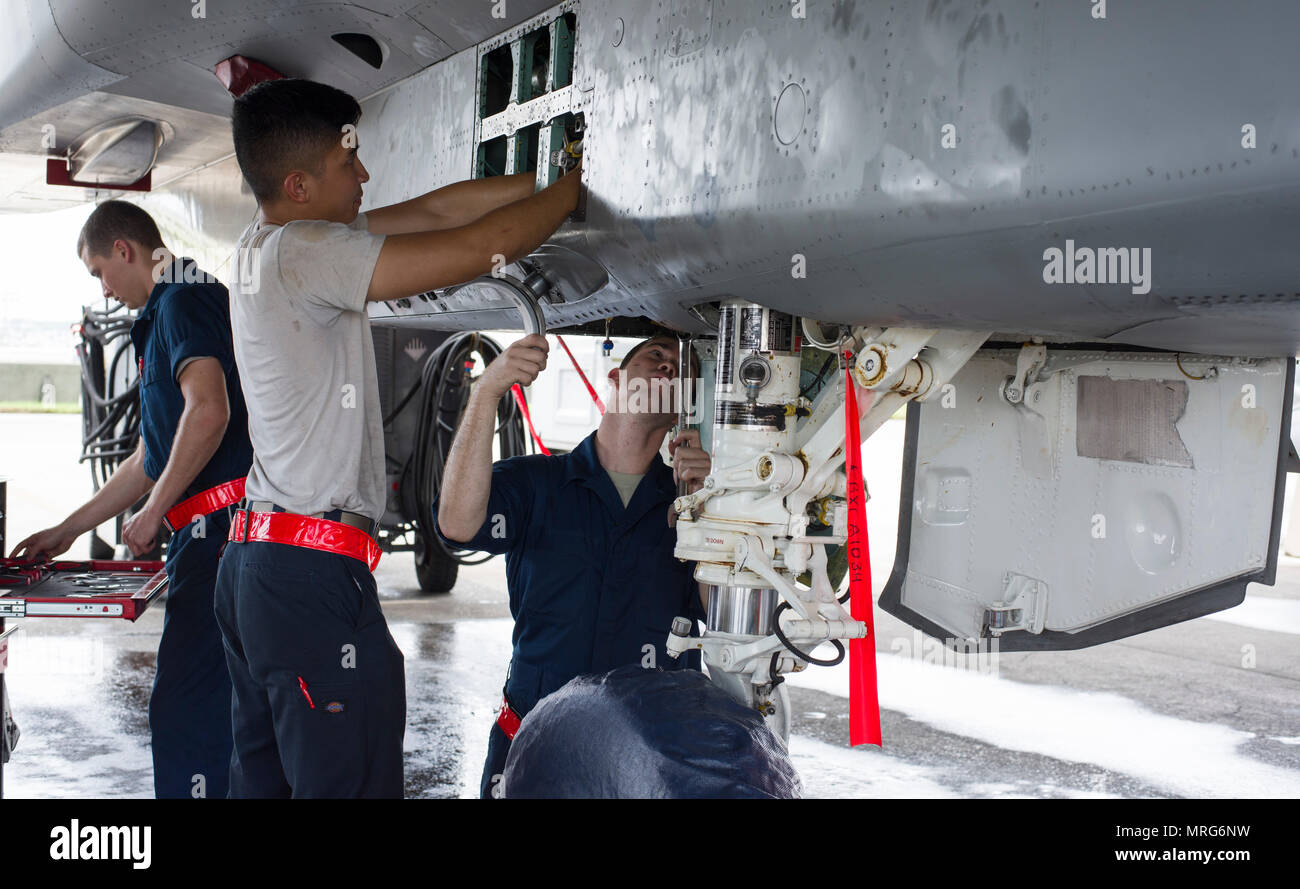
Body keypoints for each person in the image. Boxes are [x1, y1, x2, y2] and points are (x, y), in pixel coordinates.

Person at [216, 77, 581, 798]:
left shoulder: (264, 243)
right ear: (298, 184)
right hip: (307, 579)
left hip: (257, 569)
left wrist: (547, 175)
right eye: (347, 162)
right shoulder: (310, 251)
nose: (364, 174)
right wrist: (570, 191)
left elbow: (440, 209)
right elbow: (483, 246)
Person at [11, 200, 252, 800]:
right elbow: (155, 454)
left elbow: (209, 411)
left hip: (218, 531)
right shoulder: (173, 305)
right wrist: (67, 530)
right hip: (215, 532)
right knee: (209, 702)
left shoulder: (182, 300)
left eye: (98, 271)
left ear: (125, 250)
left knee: (189, 707)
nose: (103, 286)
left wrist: (149, 514)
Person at [435, 333, 712, 799]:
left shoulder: (690, 506)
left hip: (649, 763)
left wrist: (711, 510)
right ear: (616, 379)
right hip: (533, 753)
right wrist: (487, 391)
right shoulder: (537, 483)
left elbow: (722, 613)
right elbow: (457, 523)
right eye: (656, 356)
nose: (668, 368)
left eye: (682, 369)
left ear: (687, 403)